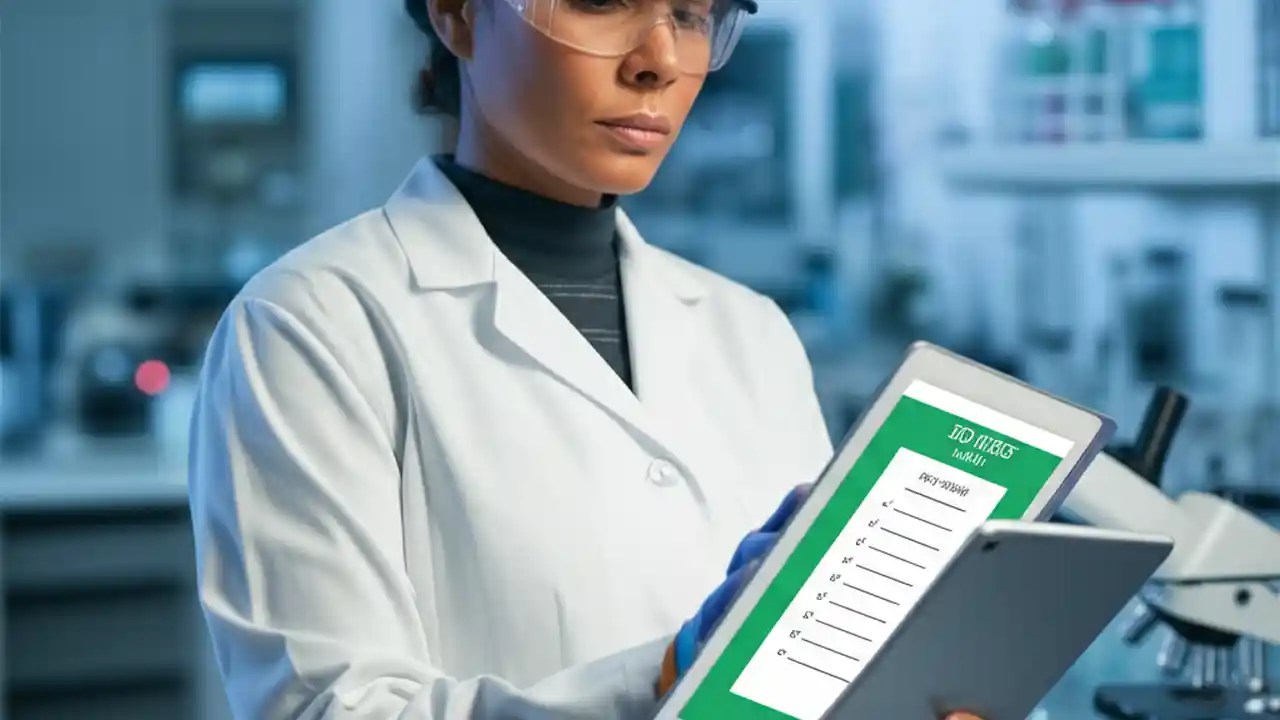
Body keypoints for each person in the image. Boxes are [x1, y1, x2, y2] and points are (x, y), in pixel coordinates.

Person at [187, 0, 987, 718]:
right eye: (602, 2)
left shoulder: (754, 333)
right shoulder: (310, 324)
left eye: (692, 15)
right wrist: (676, 668)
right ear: (458, 16)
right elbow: (334, 709)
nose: (659, 60)